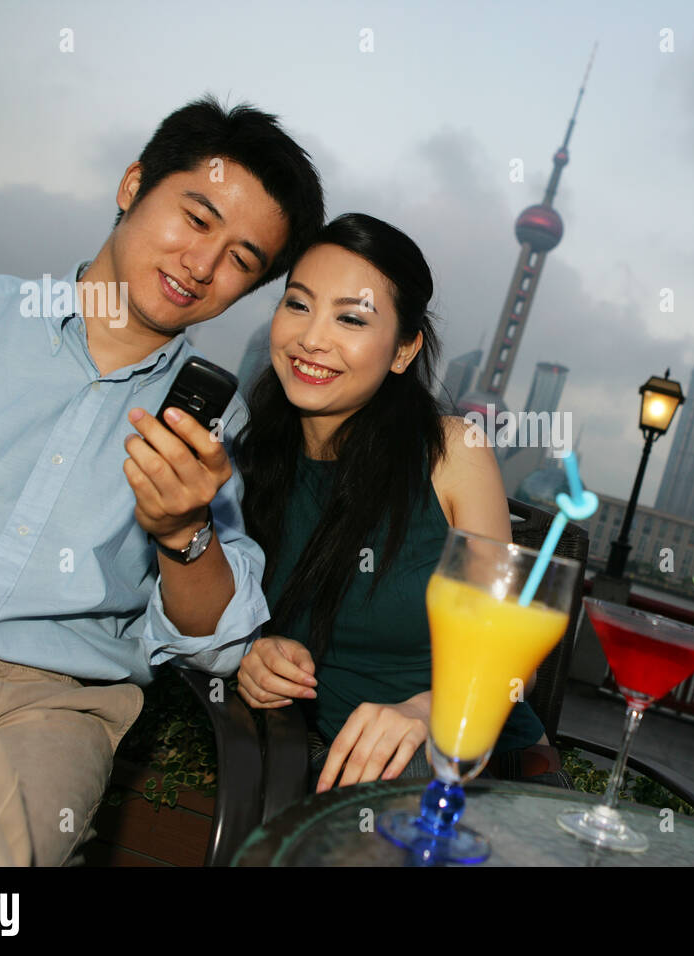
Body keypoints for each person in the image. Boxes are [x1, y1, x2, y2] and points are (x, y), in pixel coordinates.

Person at [0, 96, 325, 865]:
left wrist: (185, 532)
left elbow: (217, 642)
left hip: (55, 708)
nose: (203, 265)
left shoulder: (218, 429)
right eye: (197, 217)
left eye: (243, 260)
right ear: (132, 185)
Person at [234, 213, 561, 793]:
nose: (312, 338)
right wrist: (251, 652)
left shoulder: (453, 452)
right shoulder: (251, 454)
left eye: (352, 318)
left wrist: (423, 711)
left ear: (403, 351)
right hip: (329, 765)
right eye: (299, 304)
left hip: (472, 765)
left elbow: (515, 663)